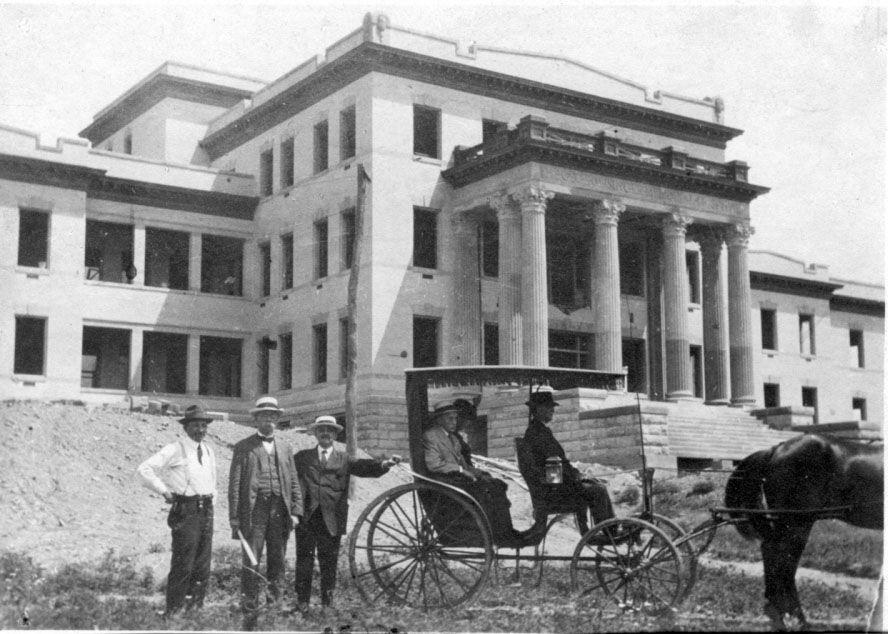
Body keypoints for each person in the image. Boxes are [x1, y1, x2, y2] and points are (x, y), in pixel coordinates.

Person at [294, 416, 397, 610]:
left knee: (329, 562)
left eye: (330, 430)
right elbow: (289, 479)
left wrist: (384, 465)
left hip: (332, 518)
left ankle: (327, 604)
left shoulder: (344, 459)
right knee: (304, 560)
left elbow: (365, 467)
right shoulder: (301, 457)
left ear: (335, 434)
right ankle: (302, 603)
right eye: (321, 429)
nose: (326, 433)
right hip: (307, 517)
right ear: (315, 433)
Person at [228, 396, 303, 627]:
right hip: (254, 512)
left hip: (280, 511)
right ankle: (250, 612)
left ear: (278, 420)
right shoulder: (244, 447)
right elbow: (235, 483)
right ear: (256, 420)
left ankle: (274, 610)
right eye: (263, 417)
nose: (268, 421)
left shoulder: (286, 447)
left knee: (277, 561)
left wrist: (296, 511)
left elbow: (293, 482)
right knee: (252, 561)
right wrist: (234, 517)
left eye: (272, 417)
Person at [137, 404, 217, 616]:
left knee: (202, 563)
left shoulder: (208, 450)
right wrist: (164, 491)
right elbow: (144, 469)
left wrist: (211, 501)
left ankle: (195, 609)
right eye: (195, 425)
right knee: (184, 561)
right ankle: (173, 610)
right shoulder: (175, 448)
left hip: (206, 509)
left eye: (203, 425)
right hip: (186, 509)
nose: (200, 430)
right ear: (186, 428)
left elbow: (213, 480)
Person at [522, 385, 619, 537]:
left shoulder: (539, 431)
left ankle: (611, 529)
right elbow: (554, 463)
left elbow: (557, 461)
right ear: (539, 409)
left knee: (596, 485)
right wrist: (575, 477)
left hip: (553, 486)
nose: (552, 410)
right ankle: (609, 532)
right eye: (549, 407)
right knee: (597, 489)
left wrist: (576, 475)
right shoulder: (537, 433)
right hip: (553, 491)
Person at [422, 398, 522, 546]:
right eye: (450, 418)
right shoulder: (431, 436)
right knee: (484, 490)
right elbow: (434, 464)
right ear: (440, 419)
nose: (454, 422)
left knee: (497, 485)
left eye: (455, 418)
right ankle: (485, 533)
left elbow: (463, 464)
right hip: (444, 481)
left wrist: (479, 473)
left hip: (457, 478)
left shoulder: (454, 438)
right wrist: (461, 470)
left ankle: (504, 532)